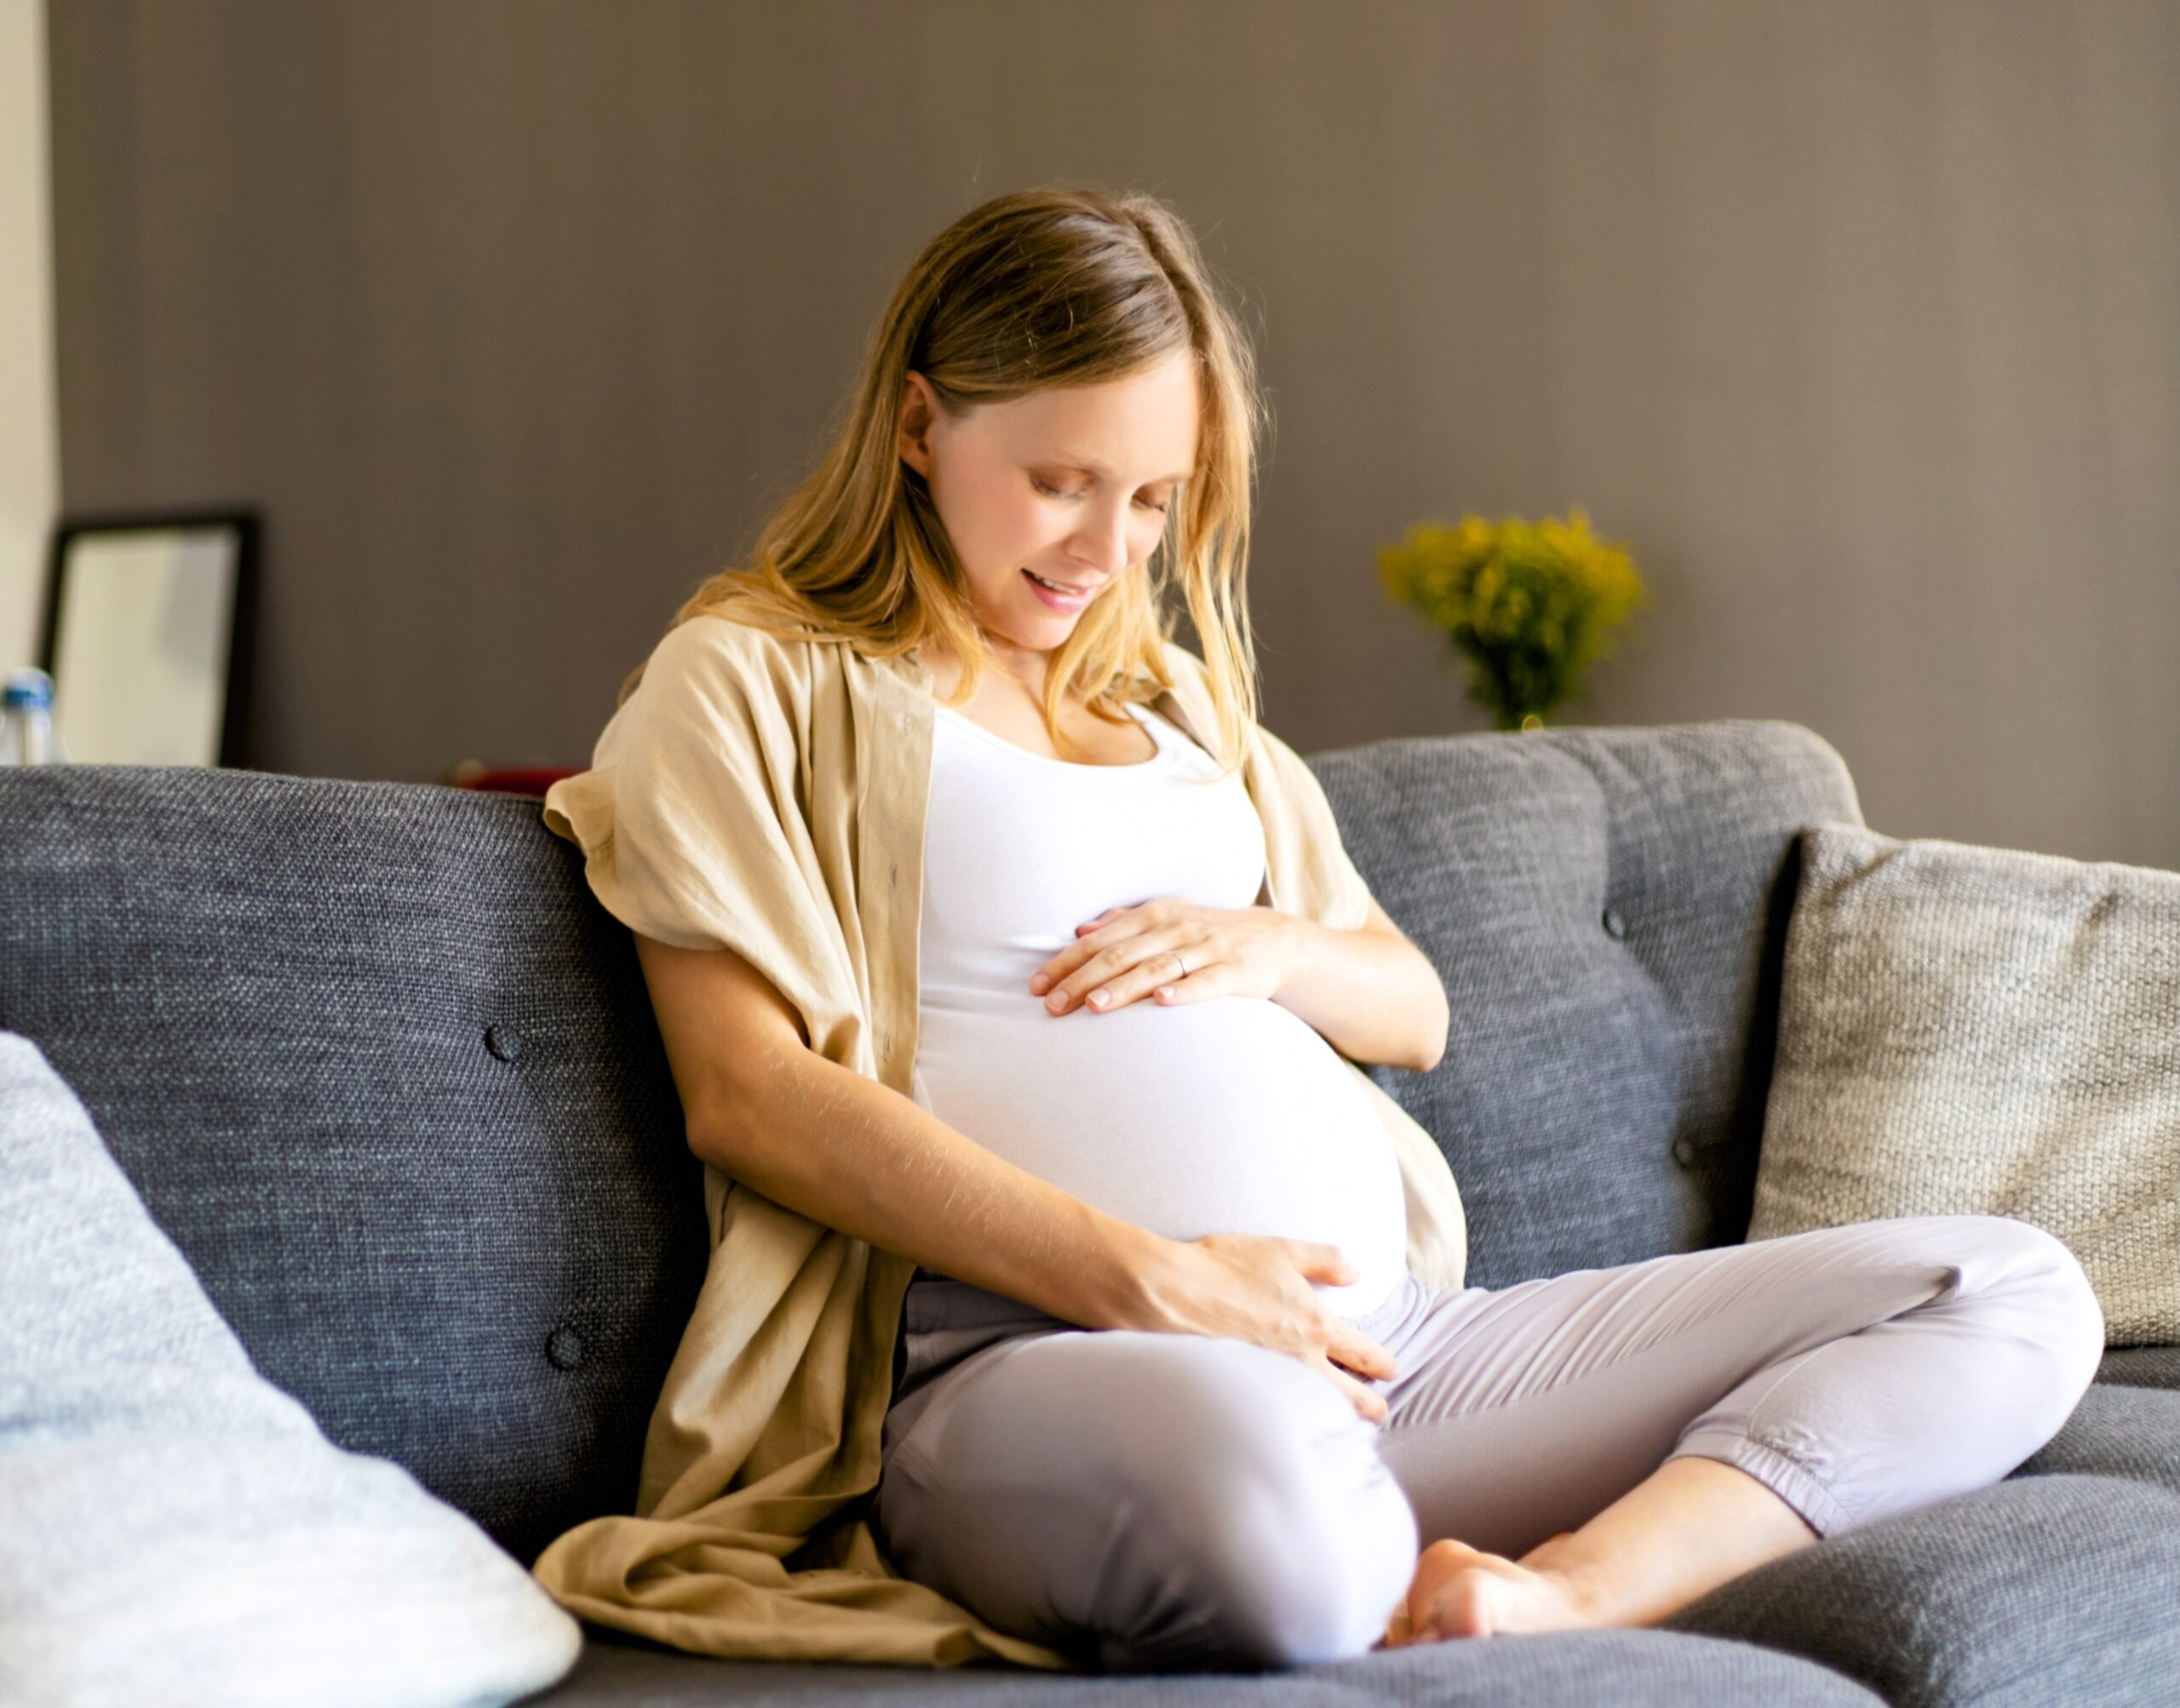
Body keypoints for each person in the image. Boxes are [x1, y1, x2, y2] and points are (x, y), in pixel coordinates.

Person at [543, 186, 2107, 1674]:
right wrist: (1157, 1281)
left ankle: (1558, 1595)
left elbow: (1411, 1006)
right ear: (917, 424)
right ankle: (1356, 1547)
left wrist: (1270, 949)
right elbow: (749, 1092)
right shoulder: (753, 680)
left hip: (1398, 1348)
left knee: (2010, 1289)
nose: (1105, 550)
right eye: (1062, 480)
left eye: (1151, 500)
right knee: (1280, 1538)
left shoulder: (1178, 708)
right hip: (1046, 1367)